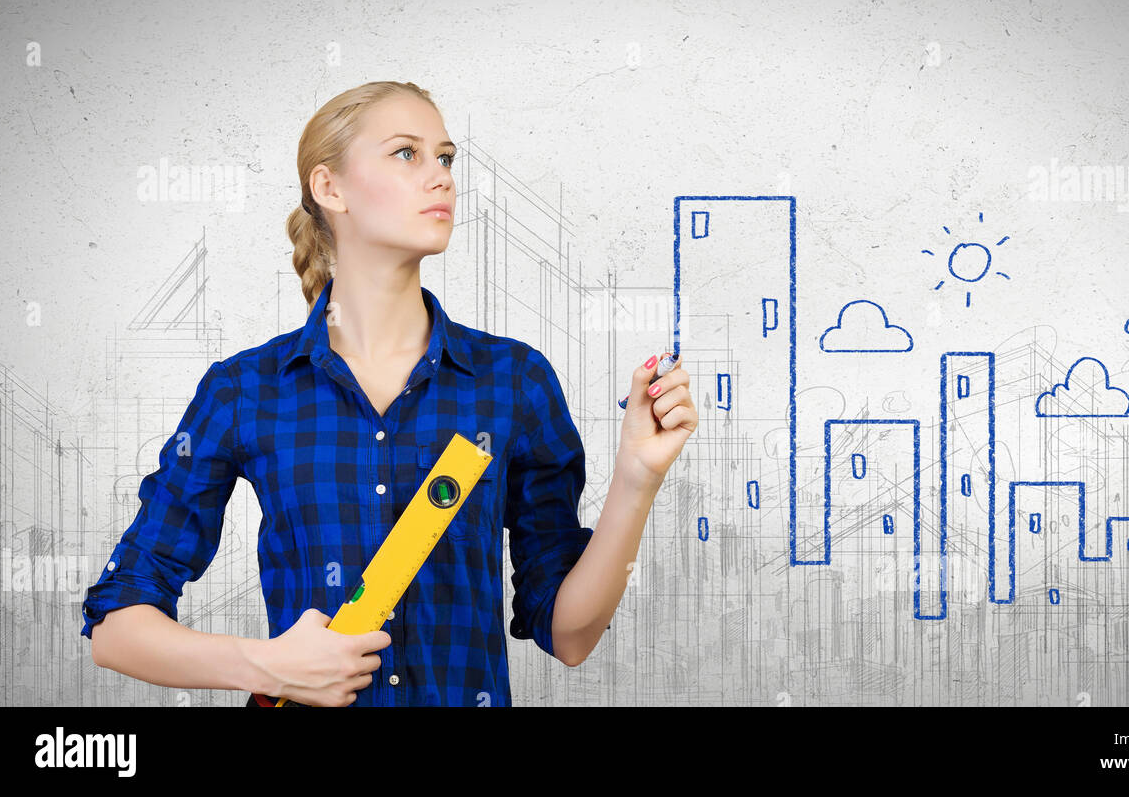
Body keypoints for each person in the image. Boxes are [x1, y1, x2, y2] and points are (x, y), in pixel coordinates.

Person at [81, 80, 697, 706]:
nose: (442, 178)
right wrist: (266, 667)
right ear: (331, 188)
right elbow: (116, 625)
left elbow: (569, 636)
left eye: (446, 157)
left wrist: (637, 479)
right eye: (407, 153)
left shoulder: (514, 380)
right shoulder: (245, 390)